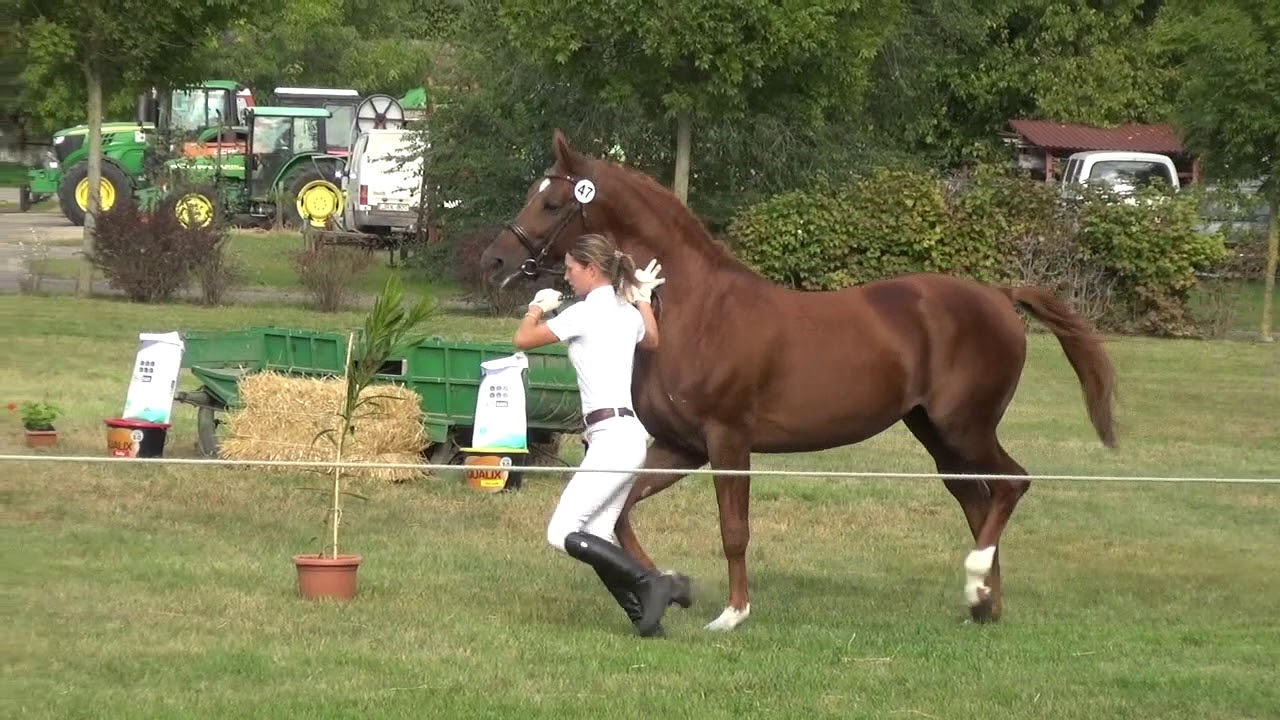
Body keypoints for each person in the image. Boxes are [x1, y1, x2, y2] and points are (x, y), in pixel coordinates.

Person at [513, 232, 691, 637]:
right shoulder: (628, 314)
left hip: (612, 438)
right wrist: (643, 297)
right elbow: (654, 340)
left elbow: (523, 340)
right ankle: (646, 622)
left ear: (591, 270)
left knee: (561, 533)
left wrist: (536, 307)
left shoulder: (582, 314)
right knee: (595, 534)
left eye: (571, 270)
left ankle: (655, 582)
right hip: (628, 436)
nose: (568, 277)